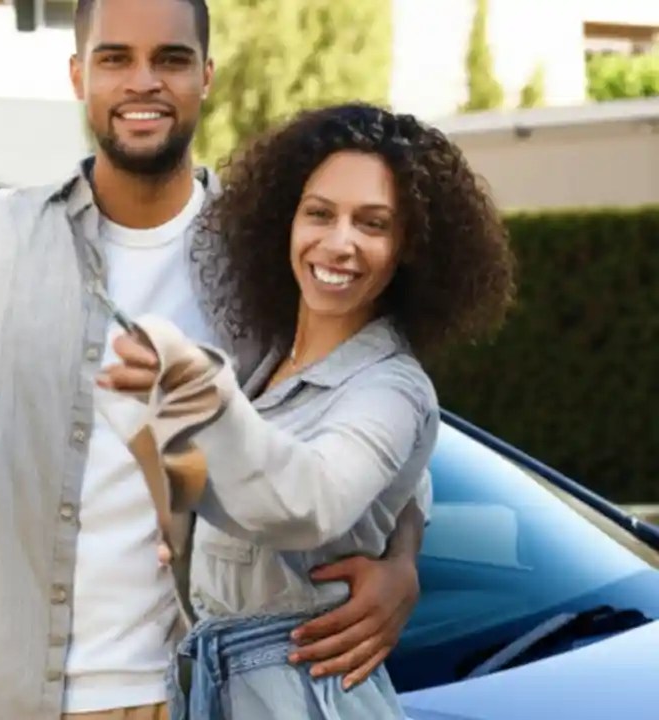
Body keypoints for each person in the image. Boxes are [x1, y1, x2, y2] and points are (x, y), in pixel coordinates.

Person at [0, 1, 426, 718]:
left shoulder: (269, 262)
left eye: (171, 59)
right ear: (78, 75)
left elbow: (374, 432)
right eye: (115, 58)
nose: (143, 83)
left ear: (206, 76)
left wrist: (403, 562)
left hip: (197, 698)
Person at [98, 103, 516, 718]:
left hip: (304, 697)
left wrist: (202, 394)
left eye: (373, 224)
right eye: (319, 214)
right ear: (284, 223)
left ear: (409, 248)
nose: (339, 243)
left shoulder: (392, 387)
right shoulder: (259, 360)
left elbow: (308, 500)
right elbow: (402, 480)